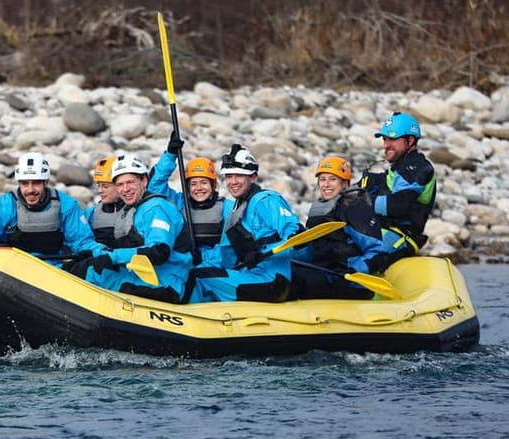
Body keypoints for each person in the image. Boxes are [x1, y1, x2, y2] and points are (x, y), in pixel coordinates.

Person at [185, 144, 303, 303]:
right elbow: (225, 255)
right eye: (229, 176)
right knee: (193, 273)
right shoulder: (235, 212)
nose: (233, 182)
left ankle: (187, 315)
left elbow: (295, 235)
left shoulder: (266, 200)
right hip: (249, 275)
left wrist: (262, 252)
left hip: (274, 281)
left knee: (199, 278)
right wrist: (193, 261)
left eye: (239, 176)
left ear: (252, 177)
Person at [71, 153, 193, 303]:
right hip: (143, 275)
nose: (125, 189)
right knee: (79, 266)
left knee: (92, 271)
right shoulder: (135, 208)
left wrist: (112, 256)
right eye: (120, 185)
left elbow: (159, 251)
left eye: (130, 182)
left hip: (166, 284)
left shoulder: (156, 208)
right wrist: (97, 252)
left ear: (144, 181)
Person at [289, 156, 408, 300]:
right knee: (283, 271)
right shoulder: (319, 209)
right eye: (322, 179)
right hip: (323, 271)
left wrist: (354, 269)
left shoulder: (355, 208)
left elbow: (377, 252)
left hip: (350, 281)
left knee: (296, 278)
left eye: (332, 179)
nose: (326, 184)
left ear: (345, 184)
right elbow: (312, 248)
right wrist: (288, 255)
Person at [0, 152, 103, 265]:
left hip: (53, 269)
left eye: (36, 183)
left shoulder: (66, 205)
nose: (30, 190)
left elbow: (82, 241)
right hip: (11, 268)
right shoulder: (7, 205)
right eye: (25, 183)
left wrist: (102, 253)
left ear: (46, 182)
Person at [360, 111, 437, 257]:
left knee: (353, 261)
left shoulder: (417, 167)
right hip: (377, 229)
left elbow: (399, 206)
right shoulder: (393, 169)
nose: (386, 145)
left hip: (399, 237)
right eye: (385, 139)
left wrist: (362, 202)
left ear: (410, 140)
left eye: (392, 139)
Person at [147, 139, 234, 265]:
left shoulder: (227, 208)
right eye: (193, 184)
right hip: (183, 261)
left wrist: (201, 257)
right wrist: (170, 155)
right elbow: (154, 187)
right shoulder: (179, 203)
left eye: (204, 183)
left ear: (213, 184)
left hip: (213, 264)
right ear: (187, 187)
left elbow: (230, 248)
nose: (199, 188)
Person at [84, 155, 122, 247]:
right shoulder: (91, 213)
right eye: (99, 186)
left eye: (105, 186)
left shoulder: (140, 210)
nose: (100, 191)